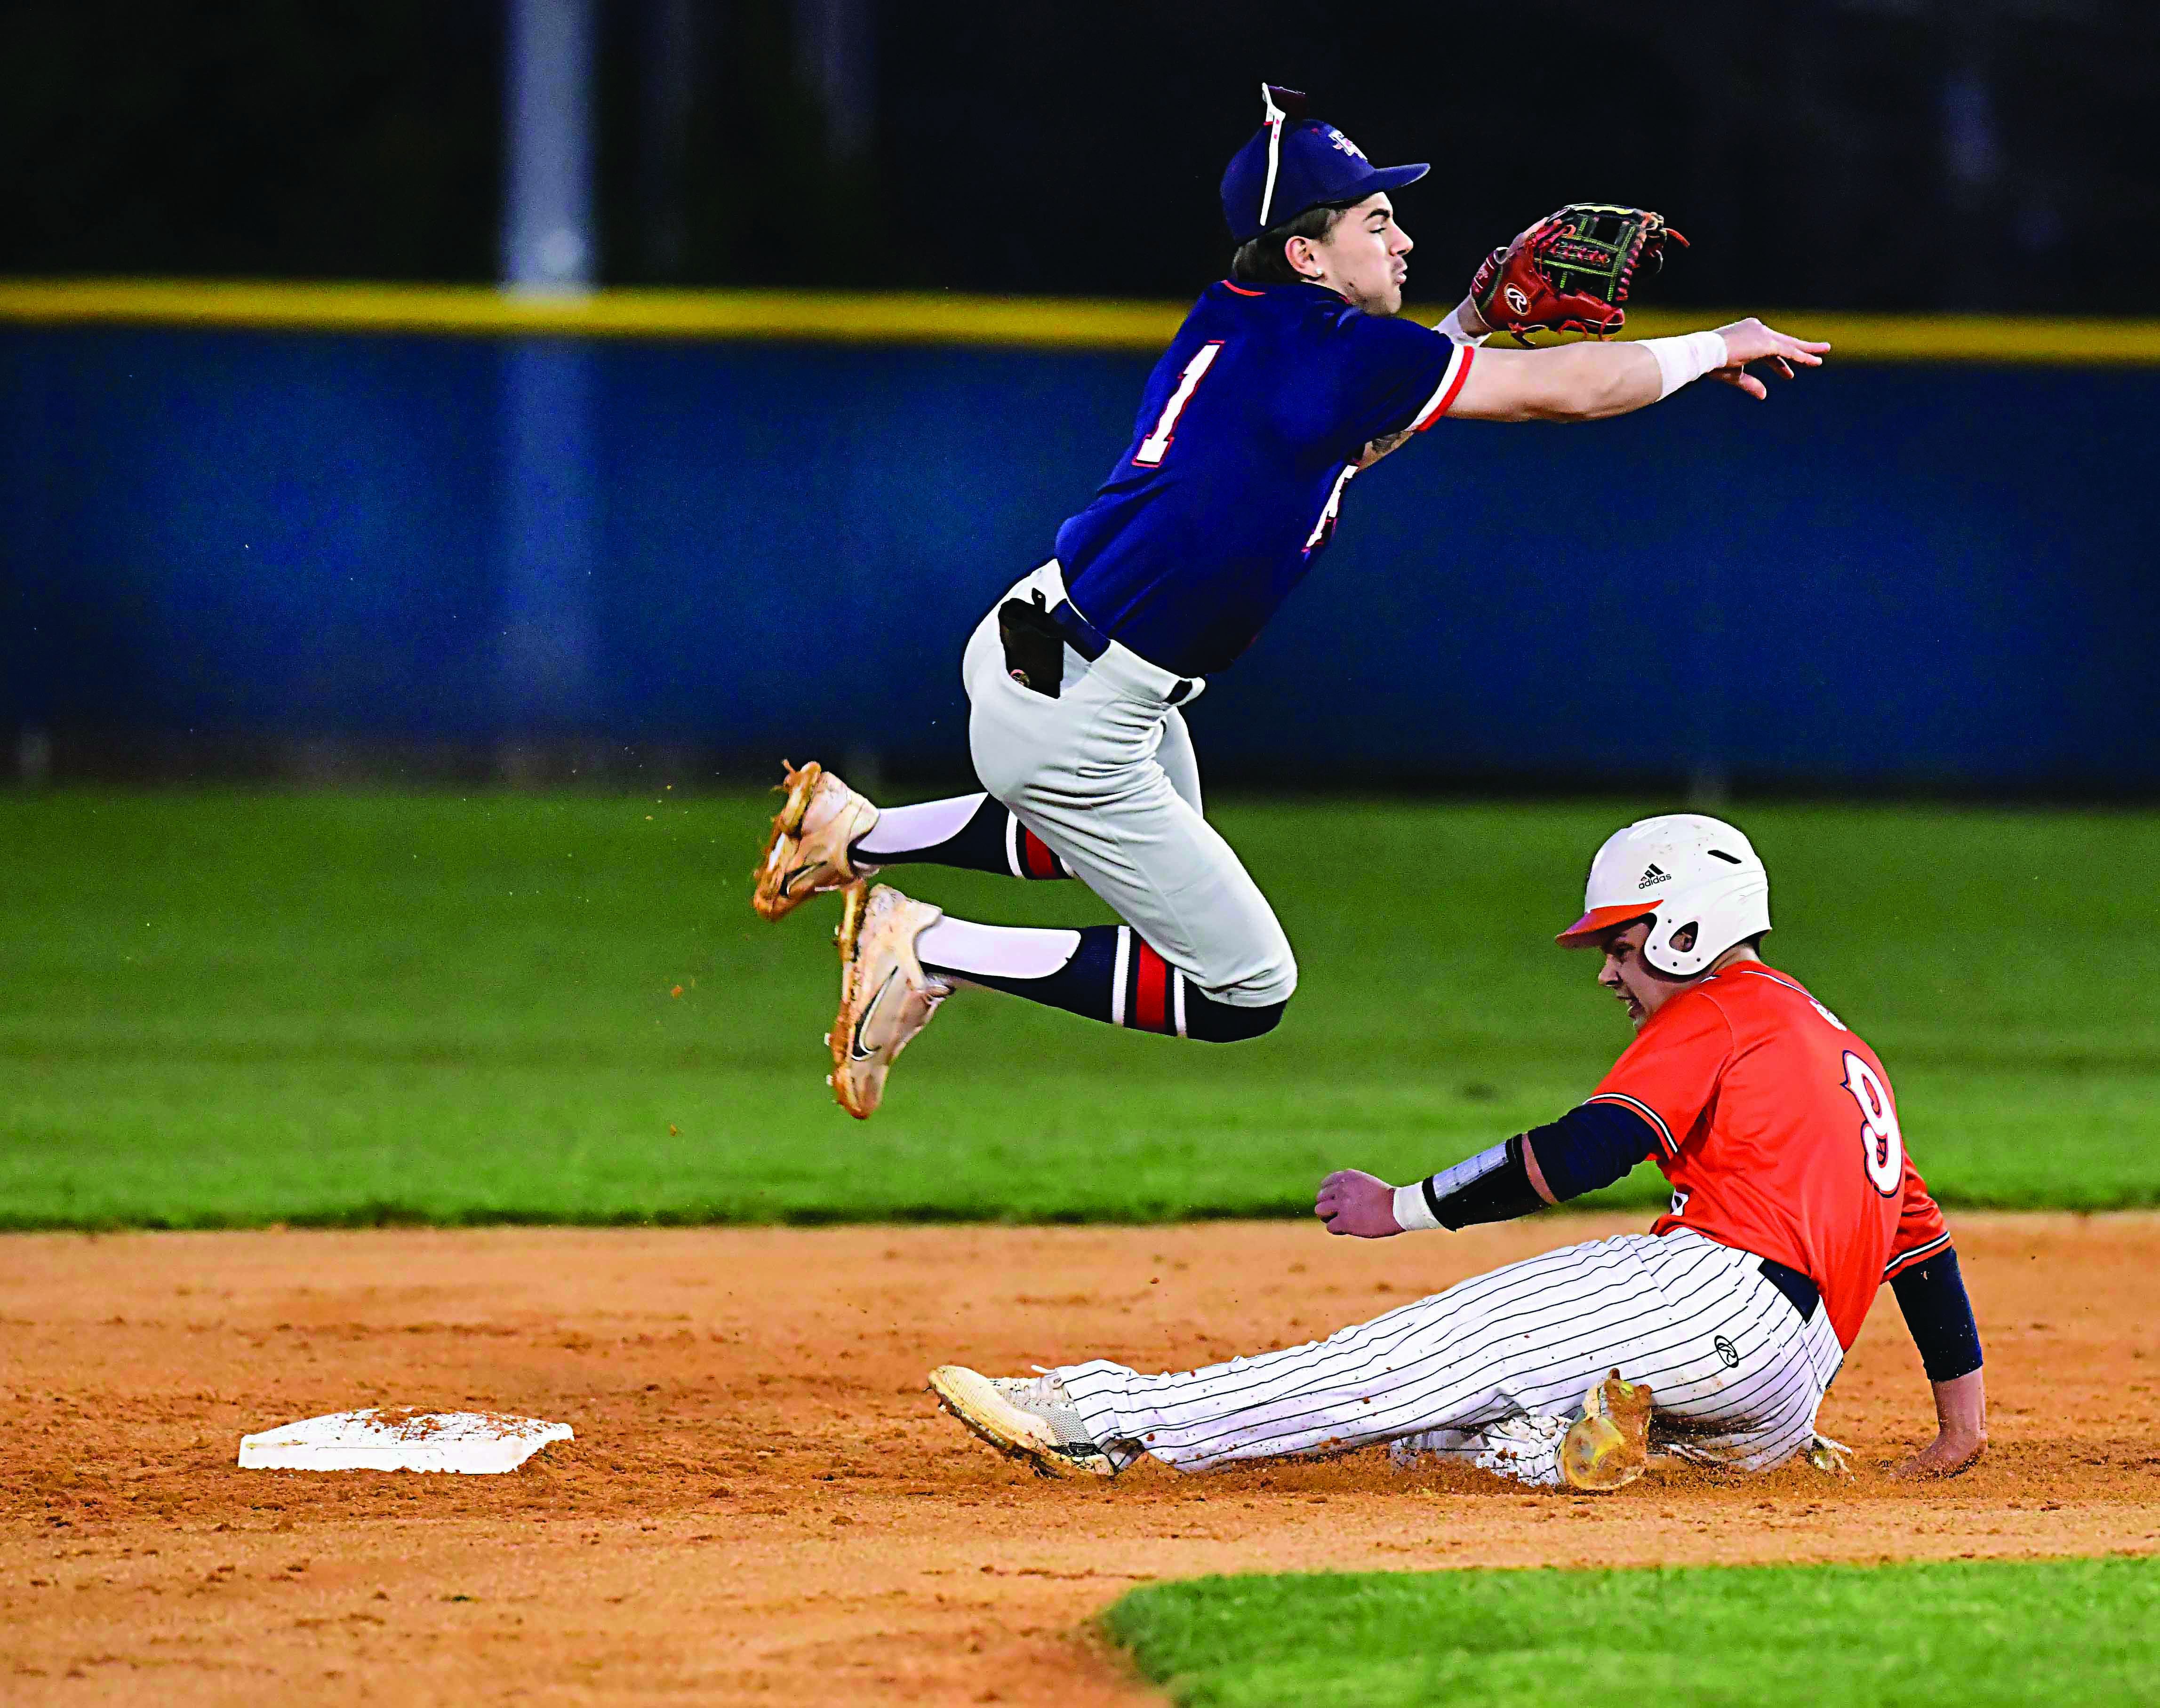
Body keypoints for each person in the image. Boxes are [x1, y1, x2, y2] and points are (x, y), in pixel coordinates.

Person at [752, 85, 1830, 1119]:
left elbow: (1349, 438)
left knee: (1099, 838)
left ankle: (859, 834)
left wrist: (1474, 319)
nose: (1402, 241)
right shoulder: (1330, 353)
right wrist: (1713, 345)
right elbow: (1571, 390)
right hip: (1077, 710)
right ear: (1309, 253)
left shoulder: (1256, 320)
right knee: (1244, 988)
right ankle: (927, 948)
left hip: (1047, 644)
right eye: (1378, 219)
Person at [928, 815, 1987, 1491]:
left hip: (1711, 1298)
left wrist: (1406, 1208)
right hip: (1789, 1389)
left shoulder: (1718, 1013)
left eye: (1622, 946)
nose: (1611, 973)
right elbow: (1920, 1250)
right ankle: (1559, 1452)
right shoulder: (1843, 1050)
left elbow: (1587, 1152)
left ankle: (1104, 1416)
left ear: (1684, 931)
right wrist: (1959, 1431)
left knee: (1419, 1360)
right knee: (1443, 1434)